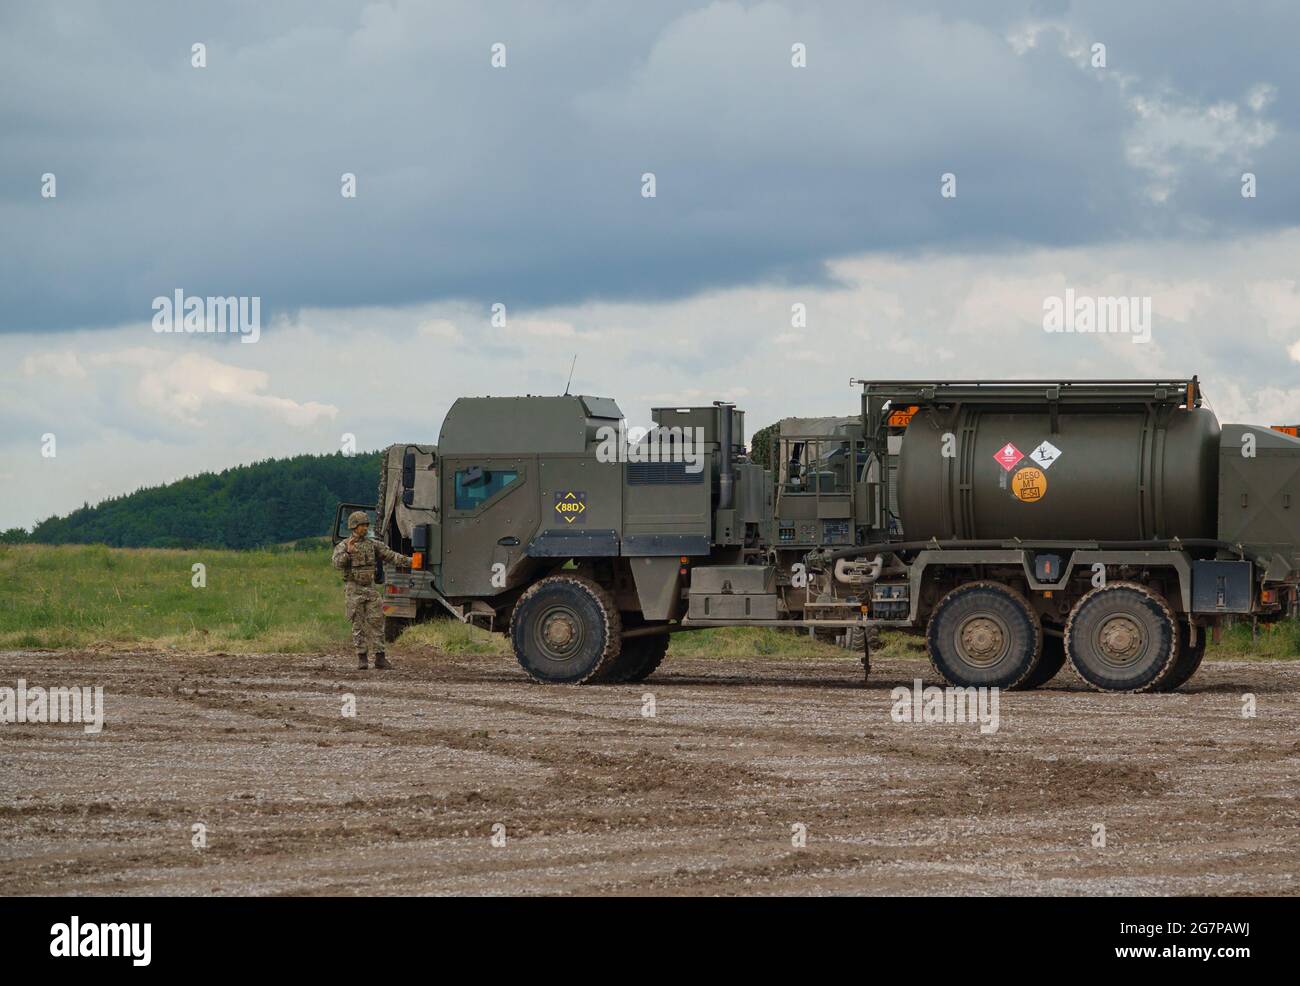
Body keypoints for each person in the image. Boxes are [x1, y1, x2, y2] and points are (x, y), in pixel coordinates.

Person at [332, 511, 411, 669]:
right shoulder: (344, 545)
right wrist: (348, 552)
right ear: (354, 526)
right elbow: (337, 564)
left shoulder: (373, 544)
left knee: (377, 622)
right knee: (358, 624)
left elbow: (390, 556)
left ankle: (380, 658)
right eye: (362, 525)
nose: (365, 528)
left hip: (370, 588)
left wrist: (411, 561)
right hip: (353, 589)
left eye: (367, 525)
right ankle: (362, 658)